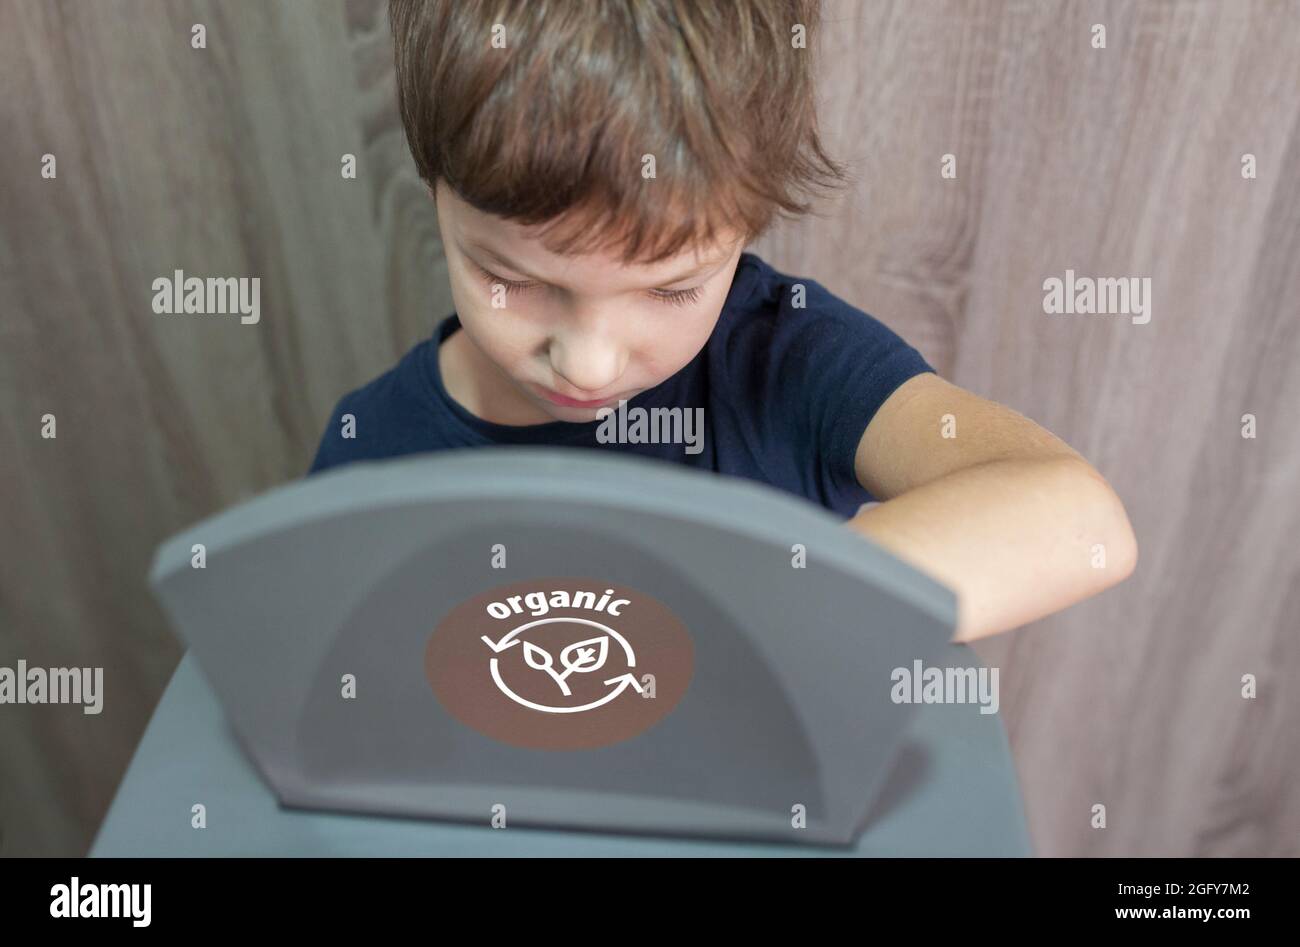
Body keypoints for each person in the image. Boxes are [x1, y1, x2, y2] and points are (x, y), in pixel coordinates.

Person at [310, 0, 1137, 642]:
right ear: (434, 194)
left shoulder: (790, 367)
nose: (589, 364)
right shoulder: (369, 450)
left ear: (747, 224)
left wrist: (755, 609)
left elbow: (1077, 517)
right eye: (511, 279)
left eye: (670, 290)